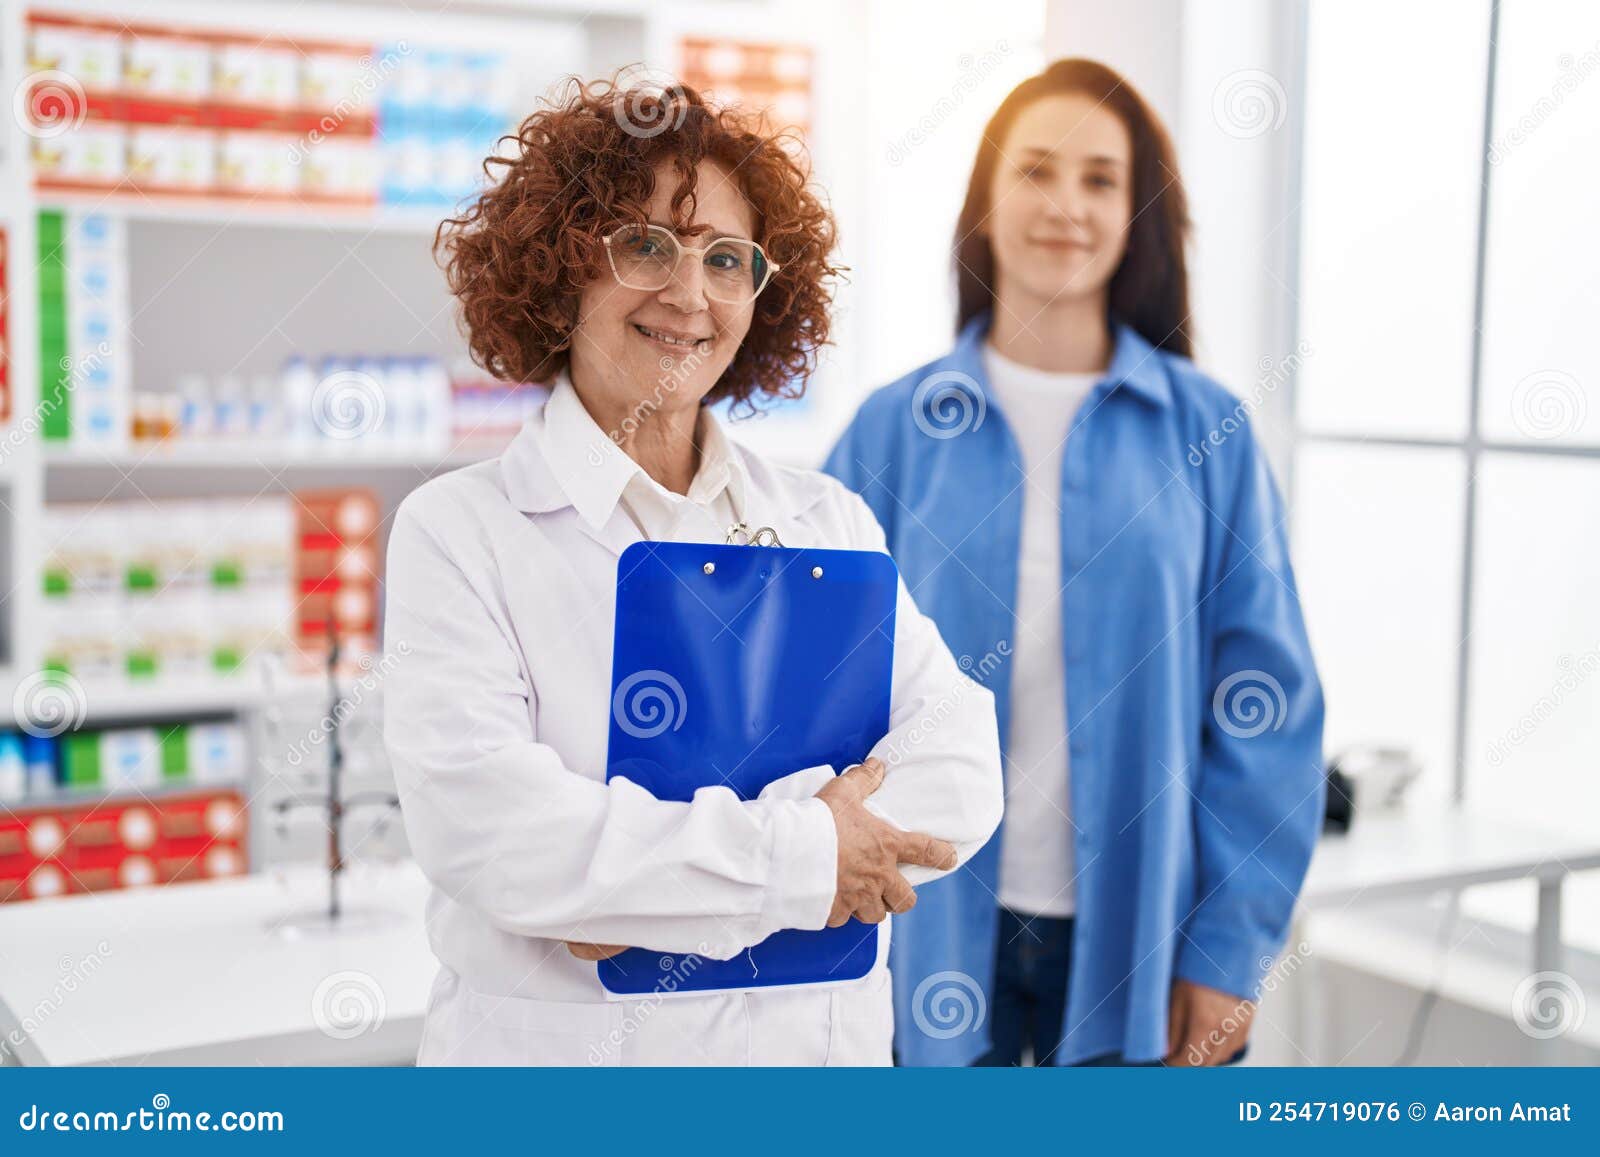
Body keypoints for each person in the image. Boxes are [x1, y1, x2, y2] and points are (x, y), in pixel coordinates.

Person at [381, 78, 1003, 1067]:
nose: (689, 292)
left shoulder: (826, 519)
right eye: (645, 245)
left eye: (725, 258)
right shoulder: (462, 532)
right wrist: (808, 854)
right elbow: (496, 834)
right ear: (560, 267)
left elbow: (960, 757)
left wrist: (636, 890)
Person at [824, 58, 1325, 1067]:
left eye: (1100, 179)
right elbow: (813, 678)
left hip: (1142, 940)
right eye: (1036, 170)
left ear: (1136, 214)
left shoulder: (1208, 432)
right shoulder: (893, 430)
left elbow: (1266, 708)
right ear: (986, 201)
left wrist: (1230, 949)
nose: (1065, 204)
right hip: (915, 921)